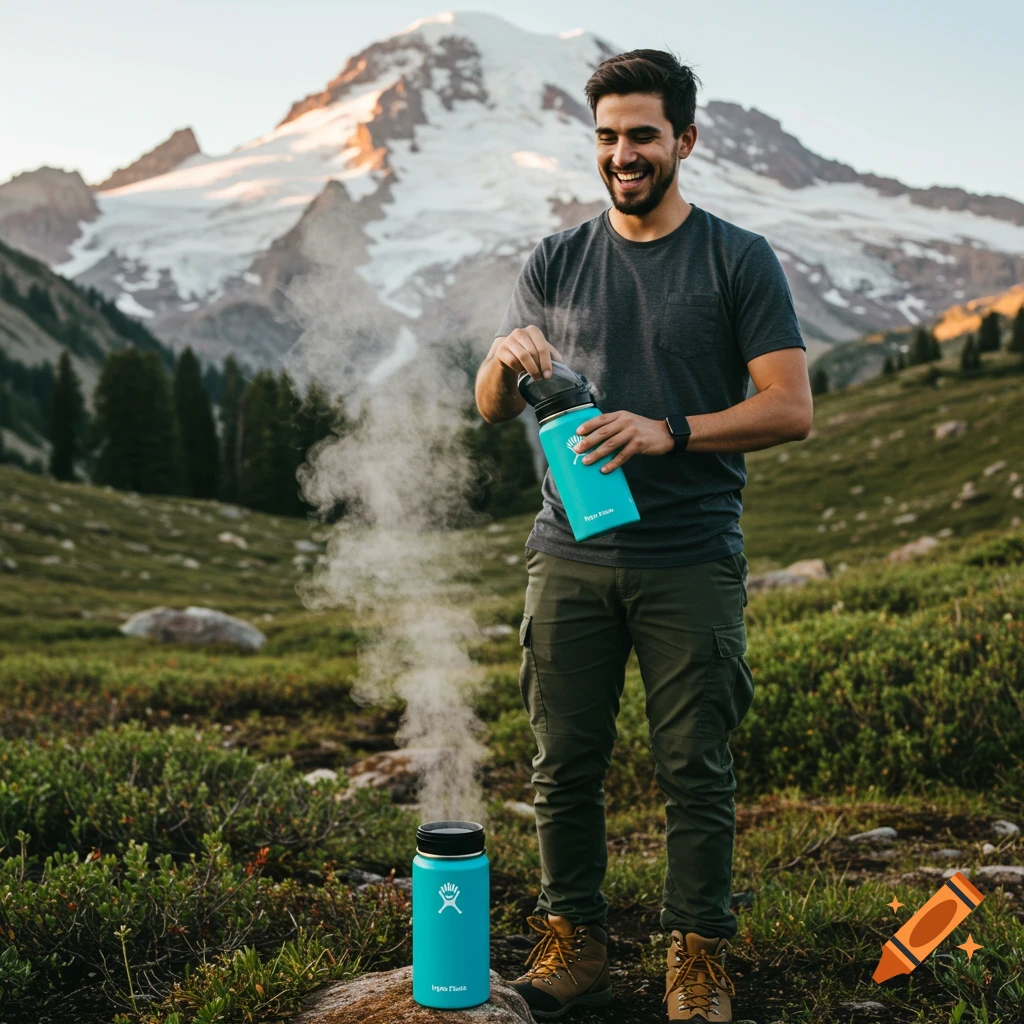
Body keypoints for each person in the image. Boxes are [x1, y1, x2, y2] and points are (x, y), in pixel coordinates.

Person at [474, 49, 812, 1023]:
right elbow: (492, 407)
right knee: (561, 767)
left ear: (684, 141)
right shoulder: (555, 260)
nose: (622, 154)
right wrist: (501, 356)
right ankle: (574, 944)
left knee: (694, 768)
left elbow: (790, 408)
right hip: (566, 557)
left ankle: (698, 956)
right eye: (608, 136)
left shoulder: (735, 259)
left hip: (690, 559)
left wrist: (671, 432)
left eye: (643, 136)